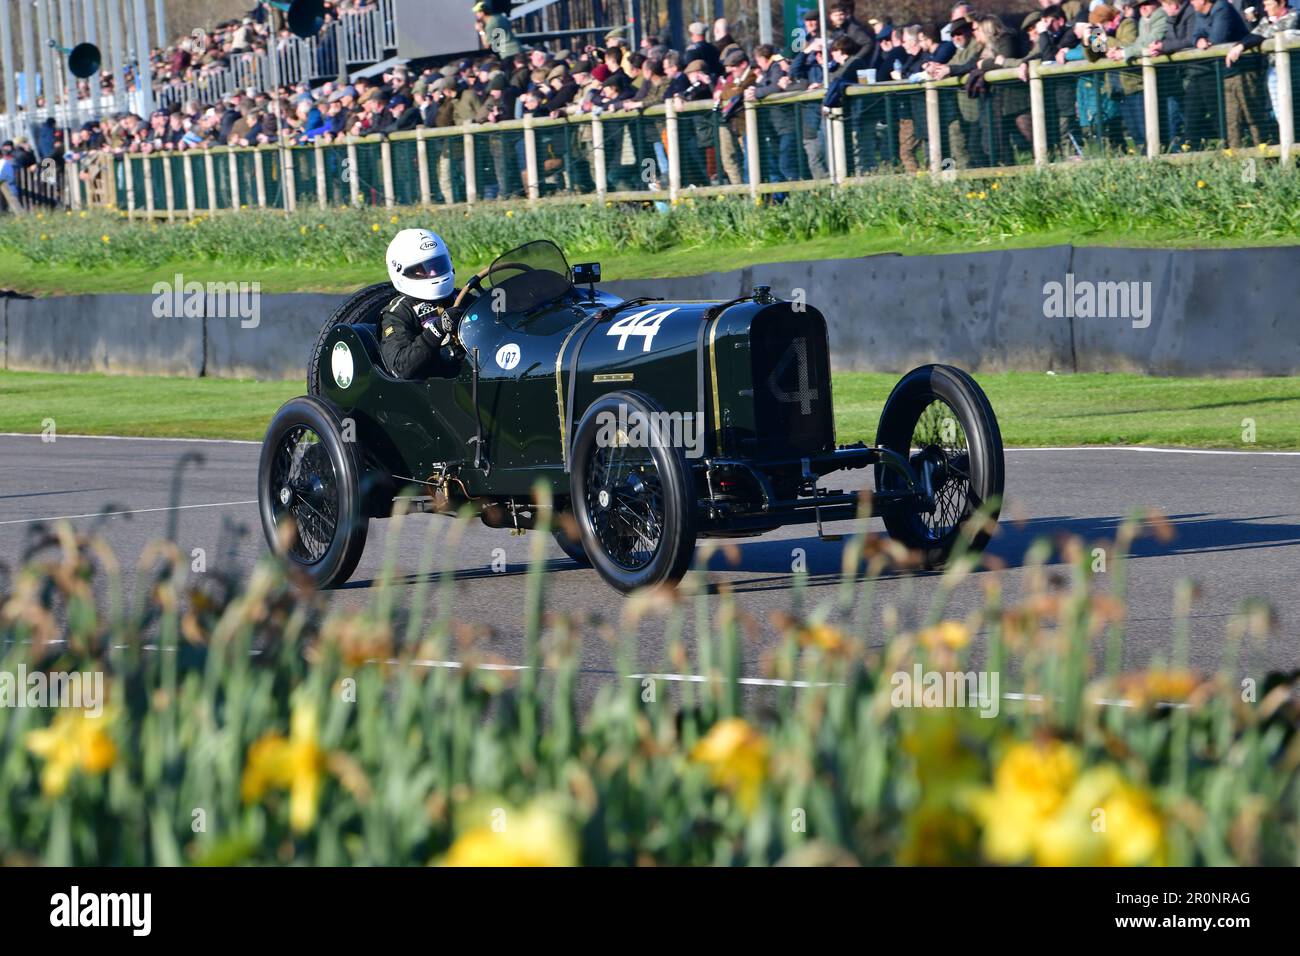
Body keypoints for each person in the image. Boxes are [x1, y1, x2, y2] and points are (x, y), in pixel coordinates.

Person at [379, 229, 463, 380]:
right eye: (421, 269)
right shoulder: (398, 313)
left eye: (437, 265)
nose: (432, 273)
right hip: (434, 392)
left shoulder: (461, 297)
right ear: (401, 271)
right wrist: (438, 328)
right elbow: (400, 368)